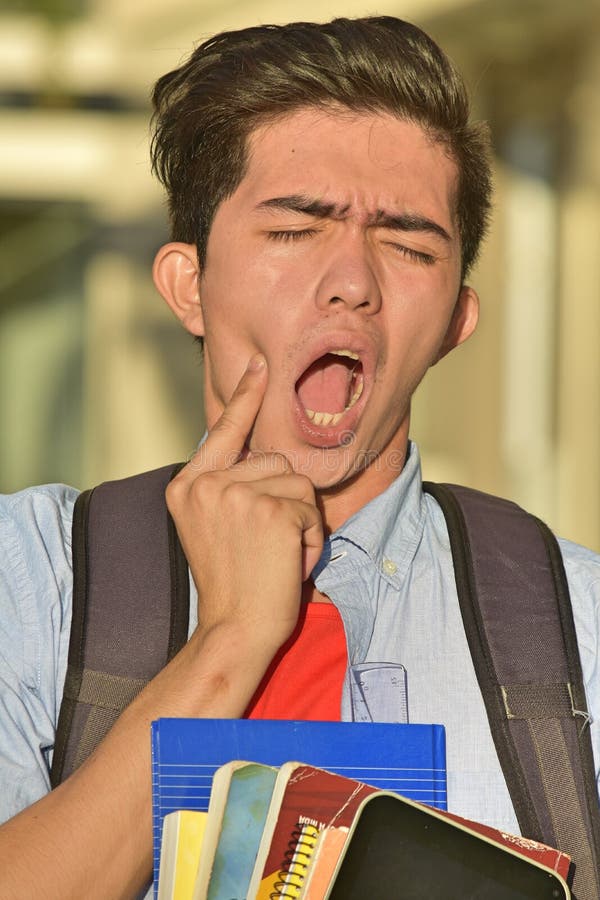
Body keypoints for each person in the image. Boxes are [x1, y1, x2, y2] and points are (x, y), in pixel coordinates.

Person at [0, 15, 598, 900]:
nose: (352, 281)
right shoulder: (34, 577)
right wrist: (231, 640)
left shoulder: (579, 625)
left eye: (408, 244)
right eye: (294, 229)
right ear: (187, 286)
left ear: (457, 325)